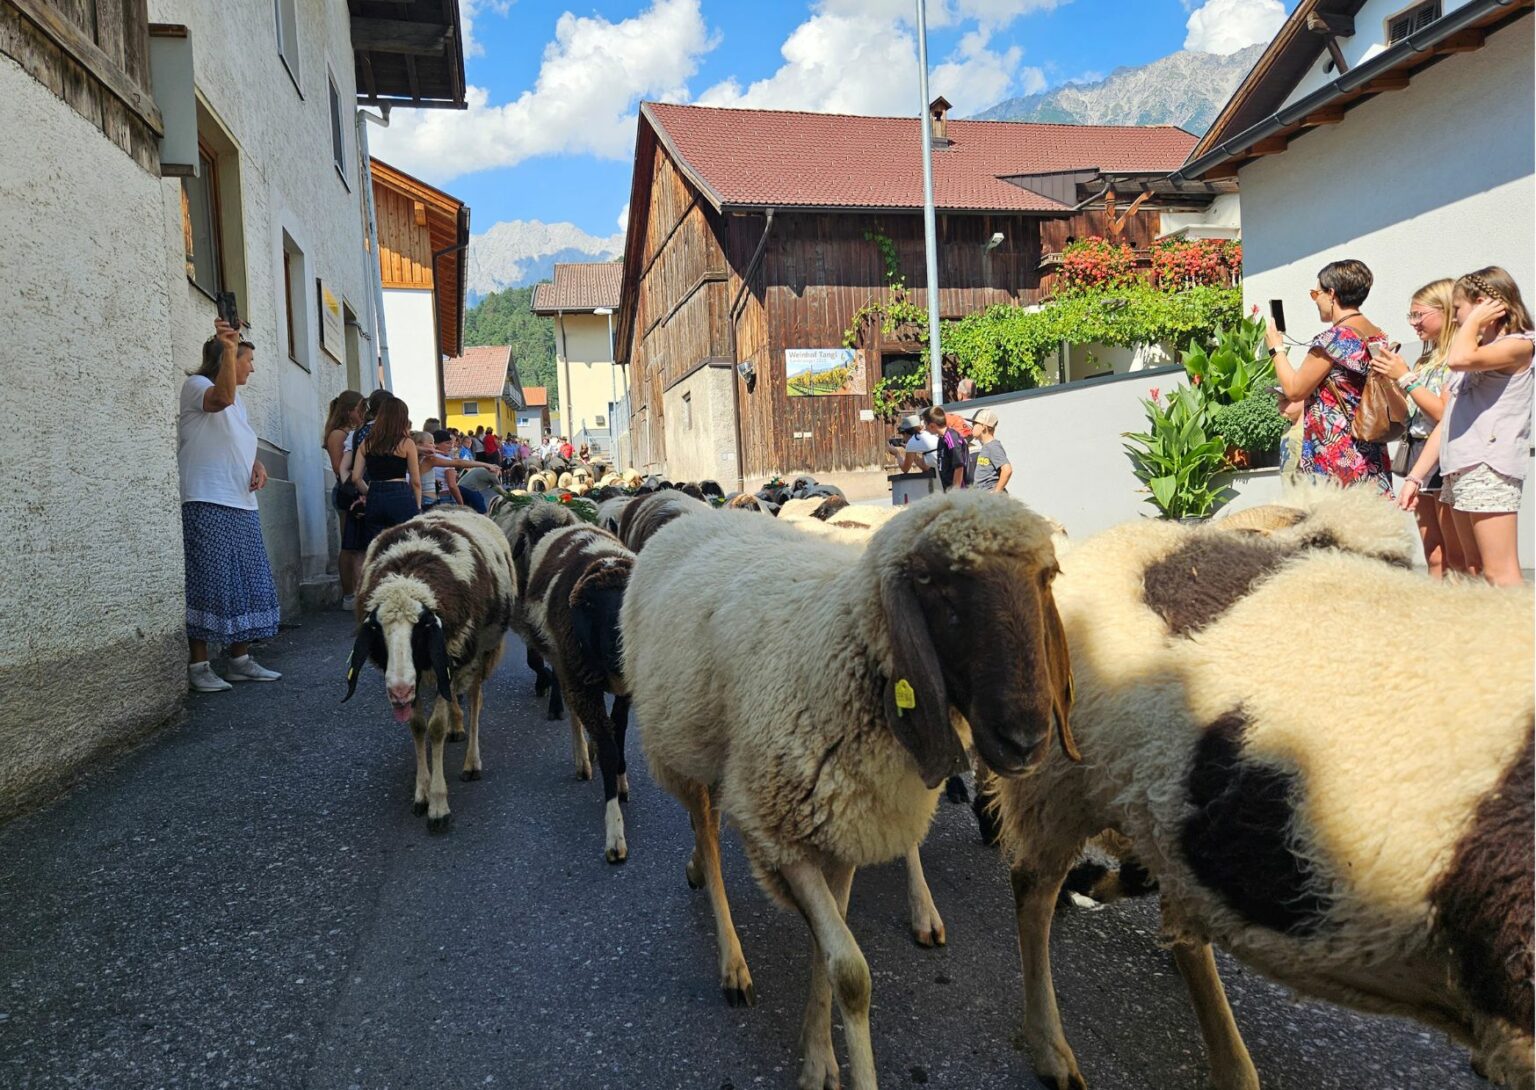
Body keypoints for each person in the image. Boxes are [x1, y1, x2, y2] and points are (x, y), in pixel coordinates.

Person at [1401, 267, 1534, 587]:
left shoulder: (1520, 345)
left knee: (1500, 573)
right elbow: (1447, 421)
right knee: (1469, 566)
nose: (1455, 319)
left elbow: (1458, 359)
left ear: (1484, 303)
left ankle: (1522, 634)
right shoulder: (1477, 351)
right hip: (1459, 467)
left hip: (1489, 466)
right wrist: (1416, 476)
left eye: (1458, 310)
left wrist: (1474, 320)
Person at [178, 320, 283, 692]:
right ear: (226, 358)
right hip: (207, 499)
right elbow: (218, 401)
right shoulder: (198, 387)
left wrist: (256, 464)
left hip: (241, 502)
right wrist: (226, 347)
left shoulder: (239, 403)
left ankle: (239, 660)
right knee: (209, 582)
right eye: (247, 359)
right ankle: (199, 666)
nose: (251, 367)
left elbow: (233, 440)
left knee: (247, 583)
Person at [1264, 258, 1392, 495]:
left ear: (1331, 293)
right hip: (1370, 447)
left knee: (1339, 526)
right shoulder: (1377, 335)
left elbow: (1294, 390)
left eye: (1316, 293)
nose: (1316, 300)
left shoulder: (1332, 340)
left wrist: (1276, 349)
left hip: (1336, 449)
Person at [1368, 280, 1459, 577]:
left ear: (1446, 311)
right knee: (1433, 550)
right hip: (1418, 450)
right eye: (1411, 316)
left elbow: (1442, 413)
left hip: (1445, 454)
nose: (1414, 323)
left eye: (1419, 315)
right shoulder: (1424, 359)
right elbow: (1405, 416)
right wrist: (1389, 382)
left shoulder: (1456, 359)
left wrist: (1406, 378)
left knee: (1455, 553)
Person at [351, 396, 420, 546]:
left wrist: (369, 493)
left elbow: (356, 477)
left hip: (375, 494)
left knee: (378, 547)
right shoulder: (406, 443)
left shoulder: (367, 443)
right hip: (400, 495)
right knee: (405, 546)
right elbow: (415, 481)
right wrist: (418, 505)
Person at [322, 390, 367, 606]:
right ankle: (348, 594)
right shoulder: (338, 433)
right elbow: (339, 467)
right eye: (361, 409)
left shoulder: (349, 432)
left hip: (350, 491)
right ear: (350, 411)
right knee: (348, 545)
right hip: (345, 492)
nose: (363, 414)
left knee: (354, 543)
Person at [922, 405, 967, 491]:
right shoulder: (941, 439)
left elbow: (959, 467)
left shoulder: (951, 438)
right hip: (947, 489)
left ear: (932, 425)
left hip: (960, 492)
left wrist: (955, 492)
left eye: (925, 423)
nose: (924, 427)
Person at [969, 408, 1012, 494]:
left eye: (974, 424)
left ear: (984, 427)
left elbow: (1007, 470)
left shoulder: (993, 446)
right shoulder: (986, 447)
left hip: (990, 499)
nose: (972, 427)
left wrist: (996, 493)